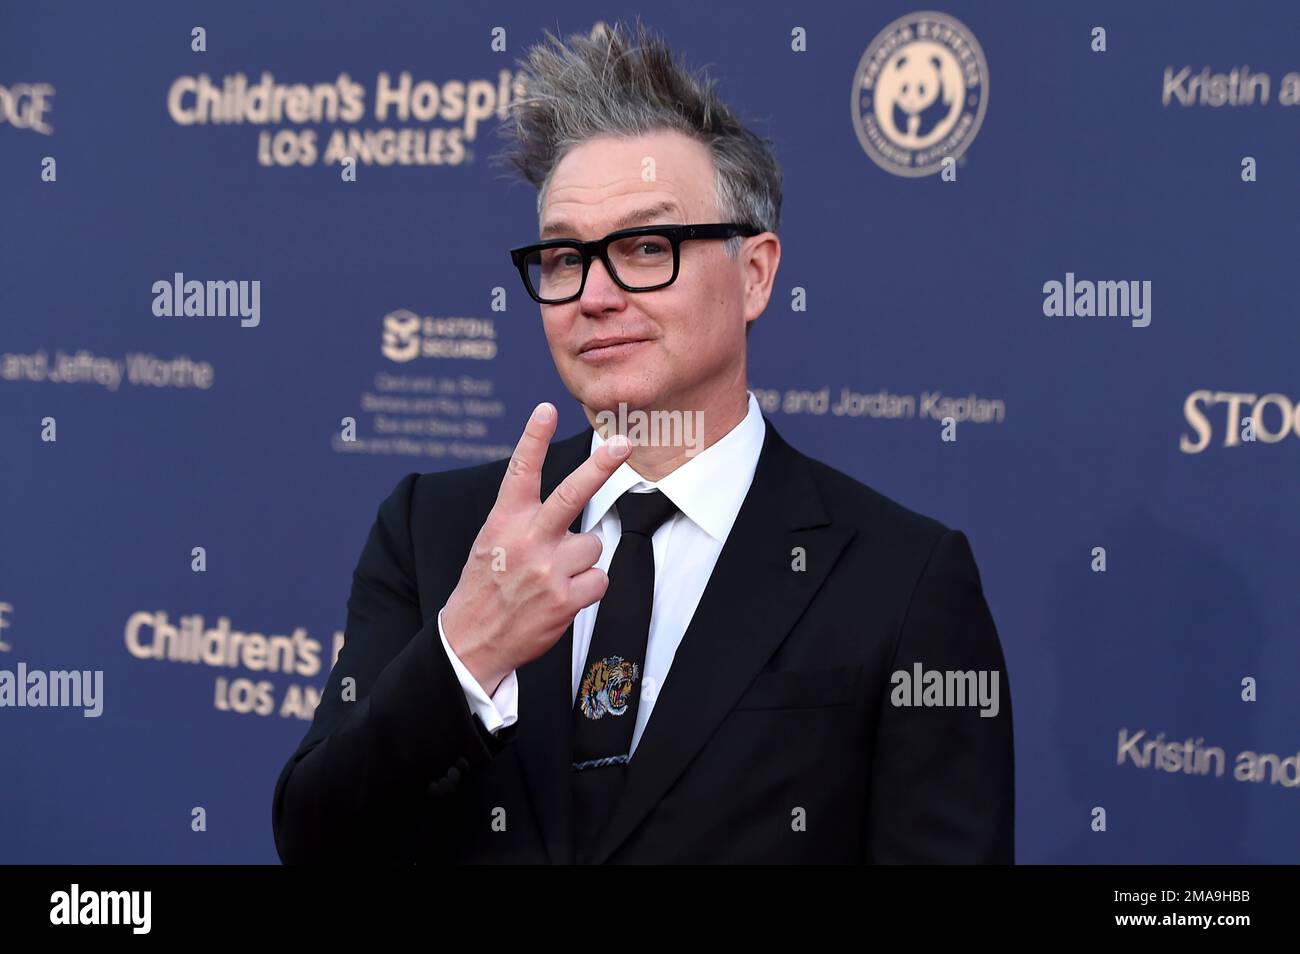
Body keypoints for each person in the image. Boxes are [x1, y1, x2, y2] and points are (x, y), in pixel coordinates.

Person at [272, 18, 1013, 864]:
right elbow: (316, 837)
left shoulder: (902, 579)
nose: (594, 294)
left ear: (756, 274)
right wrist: (470, 649)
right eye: (563, 258)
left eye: (646, 247)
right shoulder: (436, 532)